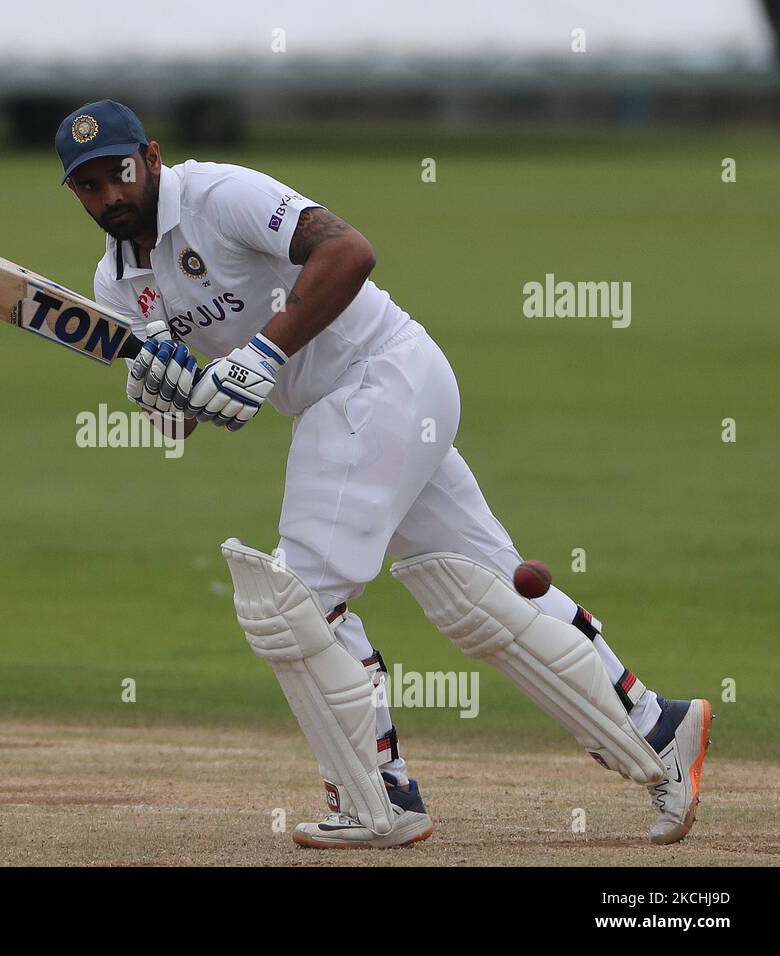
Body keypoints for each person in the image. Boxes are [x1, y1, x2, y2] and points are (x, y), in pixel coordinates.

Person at [56, 99, 712, 848]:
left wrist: (260, 356)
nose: (111, 194)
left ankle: (378, 796)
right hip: (351, 408)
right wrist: (158, 397)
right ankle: (660, 727)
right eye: (89, 185)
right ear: (73, 192)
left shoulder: (219, 195)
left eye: (120, 172)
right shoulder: (115, 286)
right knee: (485, 587)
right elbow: (186, 416)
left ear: (151, 156)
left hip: (380, 374)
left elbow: (349, 251)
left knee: (296, 601)